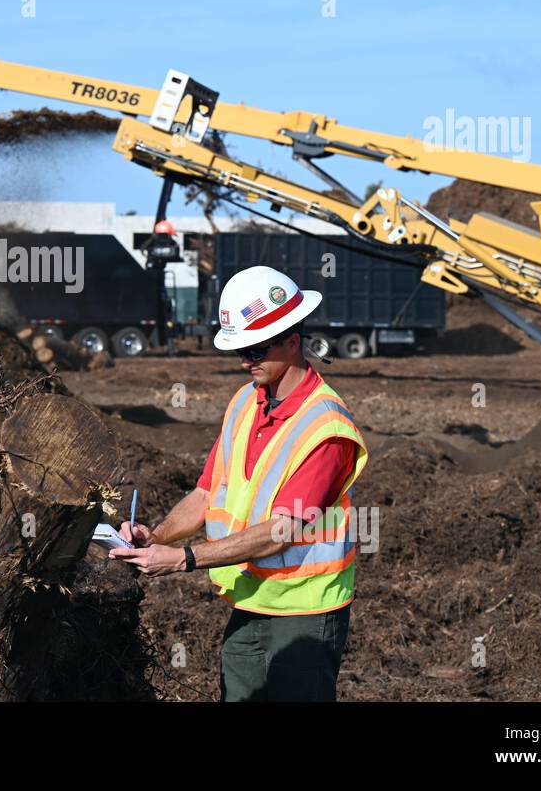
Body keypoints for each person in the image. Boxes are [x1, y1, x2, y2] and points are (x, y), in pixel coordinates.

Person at [111, 265, 368, 701]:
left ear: (293, 340)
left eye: (256, 349)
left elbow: (282, 532)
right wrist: (156, 535)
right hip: (250, 601)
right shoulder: (246, 401)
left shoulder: (326, 429)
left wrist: (182, 559)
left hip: (304, 610)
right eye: (240, 351)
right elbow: (208, 493)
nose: (246, 361)